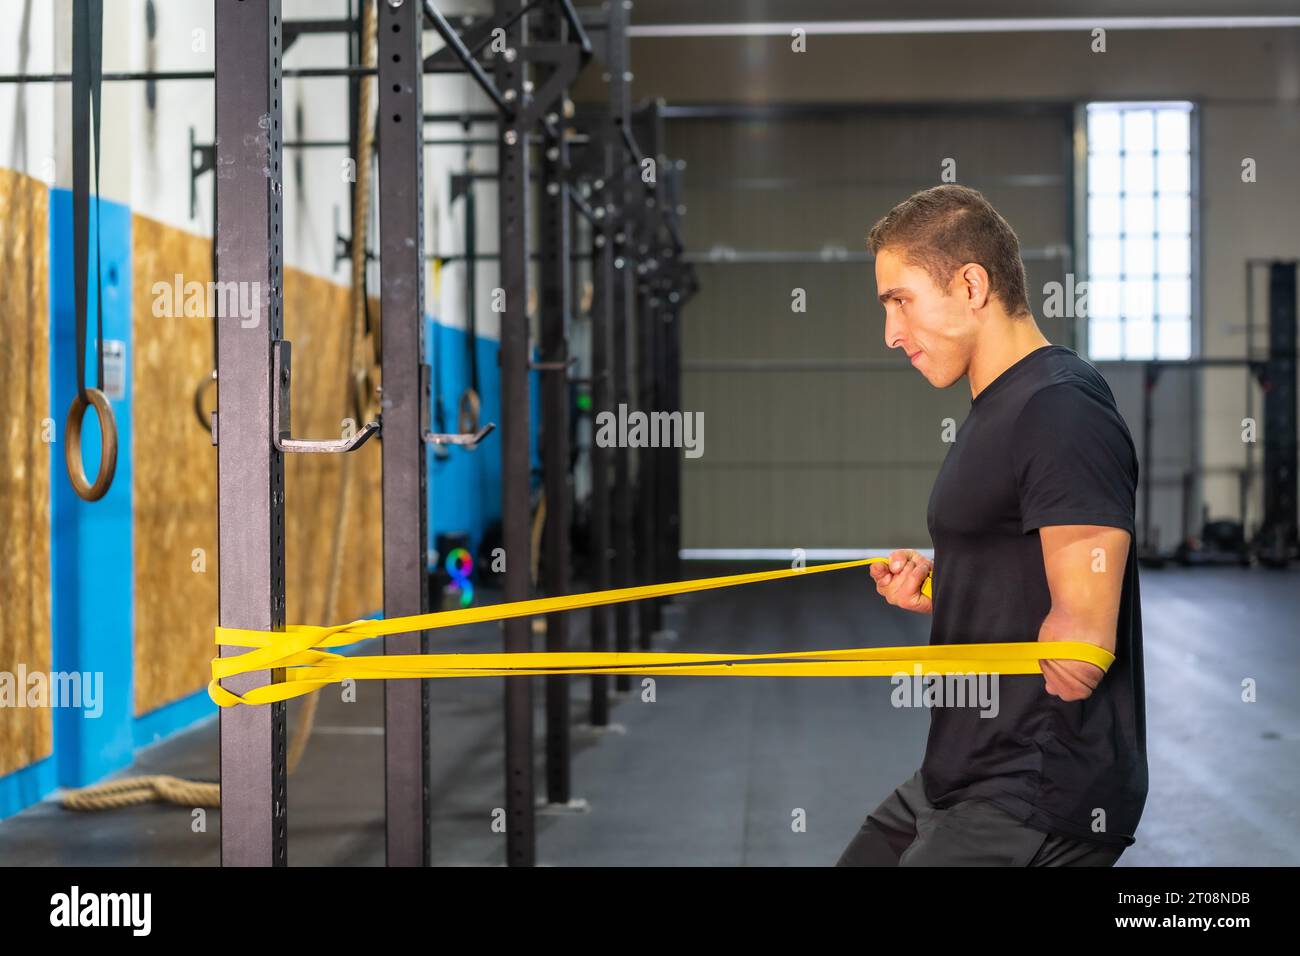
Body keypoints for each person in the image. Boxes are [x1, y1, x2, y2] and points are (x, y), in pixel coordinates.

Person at [836, 184, 1147, 866]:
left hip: (1036, 783)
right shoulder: (1000, 406)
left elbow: (1077, 658)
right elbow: (1025, 578)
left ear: (971, 284)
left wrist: (1072, 630)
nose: (890, 333)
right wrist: (950, 591)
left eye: (900, 301)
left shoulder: (1060, 409)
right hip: (959, 769)